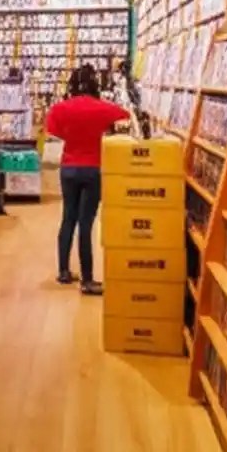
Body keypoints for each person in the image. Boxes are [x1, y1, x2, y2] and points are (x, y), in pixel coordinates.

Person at [45, 64, 130, 295]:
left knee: (67, 219)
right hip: (93, 168)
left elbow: (52, 129)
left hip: (68, 167)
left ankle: (63, 271)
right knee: (86, 224)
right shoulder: (103, 108)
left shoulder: (60, 108)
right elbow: (126, 117)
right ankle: (88, 280)